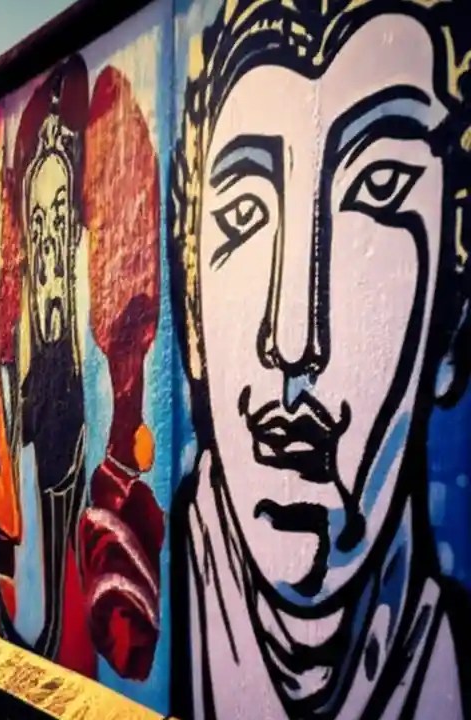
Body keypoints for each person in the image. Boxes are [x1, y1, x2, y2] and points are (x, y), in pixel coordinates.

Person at [171, 1, 470, 717]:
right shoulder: (157, 620)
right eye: (242, 215)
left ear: (453, 316)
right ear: (193, 317)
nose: (295, 340)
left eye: (378, 189)